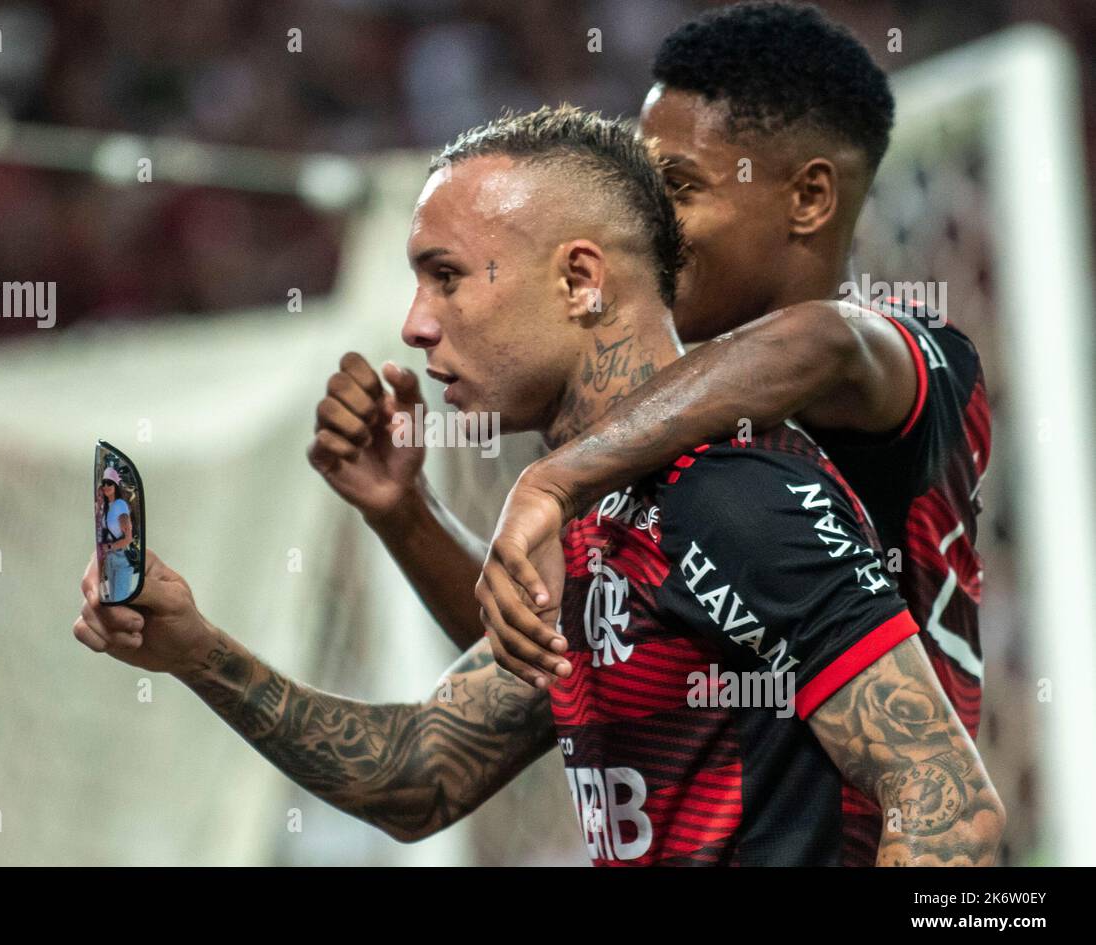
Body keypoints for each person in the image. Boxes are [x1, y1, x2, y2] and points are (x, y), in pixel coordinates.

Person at [74, 105, 1003, 865]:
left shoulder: (728, 495)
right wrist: (195, 649)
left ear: (582, 282)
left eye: (446, 279)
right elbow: (419, 774)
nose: (415, 324)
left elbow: (950, 807)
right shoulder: (599, 525)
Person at [97, 467, 136, 601]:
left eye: (110, 482)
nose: (106, 486)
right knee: (113, 601)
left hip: (121, 558)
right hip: (110, 560)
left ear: (115, 485)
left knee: (119, 602)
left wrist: (109, 547)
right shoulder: (106, 506)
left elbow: (128, 538)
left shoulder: (120, 505)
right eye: (104, 483)